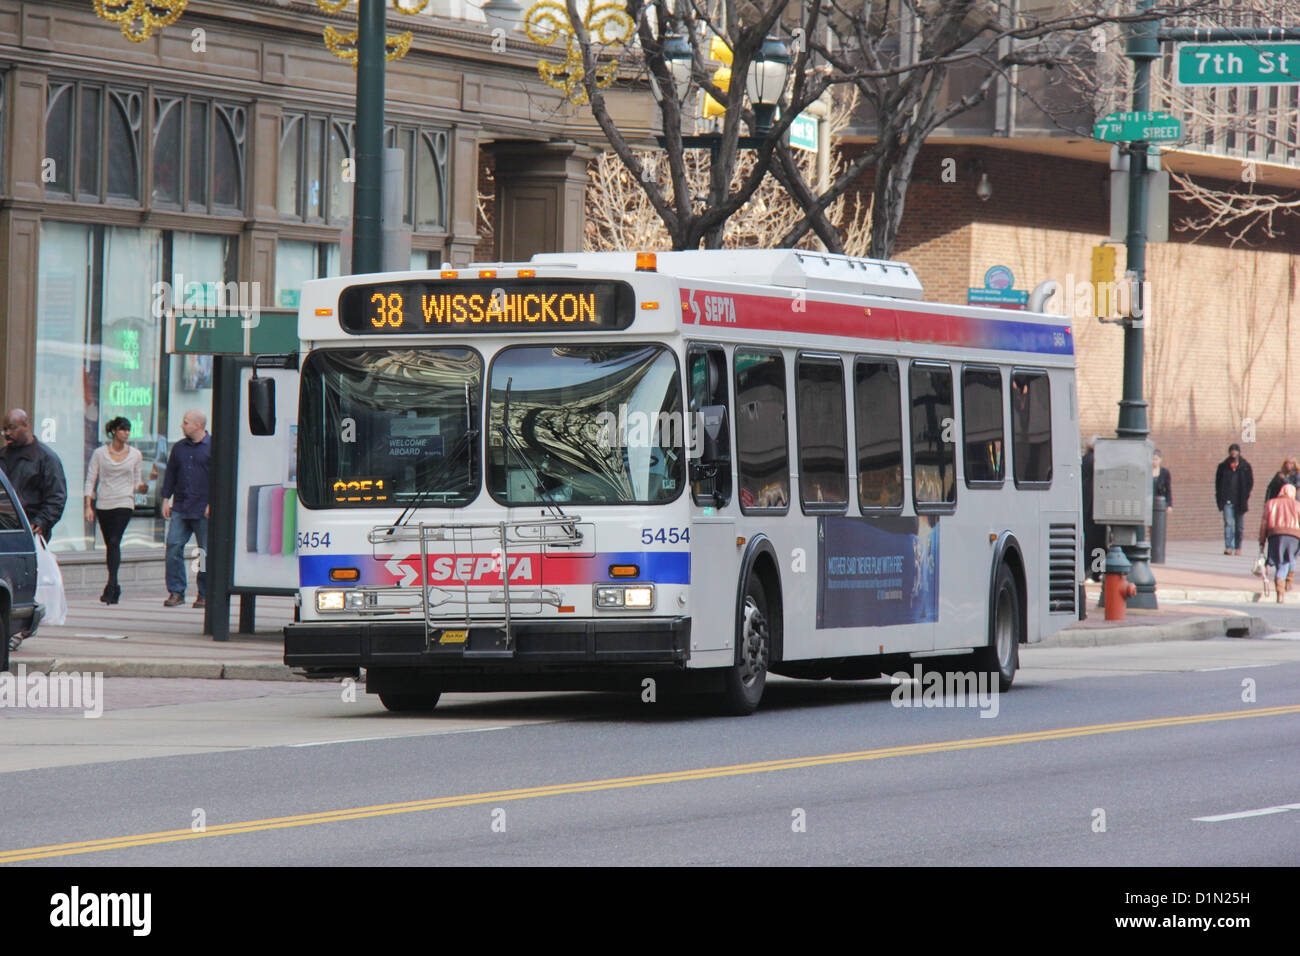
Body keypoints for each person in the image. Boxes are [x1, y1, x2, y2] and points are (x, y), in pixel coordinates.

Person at [84, 416, 147, 605]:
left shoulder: (136, 454)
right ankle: (113, 585)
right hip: (104, 503)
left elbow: (138, 483)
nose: (126, 433)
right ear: (114, 432)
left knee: (114, 540)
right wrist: (88, 505)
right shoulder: (99, 454)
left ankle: (112, 585)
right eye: (123, 429)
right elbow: (91, 479)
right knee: (110, 544)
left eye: (128, 430)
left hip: (124, 502)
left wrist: (146, 485)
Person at [161, 410, 211, 608]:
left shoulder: (212, 447)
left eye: (186, 422)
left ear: (198, 425)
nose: (182, 426)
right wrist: (165, 498)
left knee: (204, 553)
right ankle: (176, 591)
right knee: (173, 546)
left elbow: (219, 477)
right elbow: (171, 474)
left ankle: (204, 593)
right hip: (181, 505)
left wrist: (212, 502)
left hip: (203, 507)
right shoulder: (179, 448)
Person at [0, 408, 67, 540]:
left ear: (26, 425)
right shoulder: (2, 456)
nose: (7, 433)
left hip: (30, 530)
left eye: (12, 428)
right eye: (4, 430)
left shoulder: (46, 458)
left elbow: (56, 497)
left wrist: (41, 522)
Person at [1259, 483, 1300, 603]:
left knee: (1280, 561)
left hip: (1275, 535)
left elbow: (1264, 524)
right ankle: (1287, 582)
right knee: (1289, 559)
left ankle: (1280, 590)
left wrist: (1262, 541)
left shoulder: (1271, 503)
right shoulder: (1297, 505)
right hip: (1294, 536)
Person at [1215, 443, 1254, 555]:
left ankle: (1238, 547)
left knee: (1239, 526)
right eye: (1231, 451)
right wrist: (1219, 497)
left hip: (1240, 501)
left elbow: (1250, 482)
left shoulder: (1245, 467)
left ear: (1238, 452)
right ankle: (1229, 547)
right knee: (1228, 523)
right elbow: (1218, 484)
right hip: (1227, 500)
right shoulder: (1223, 467)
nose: (1233, 453)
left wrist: (1246, 495)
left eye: (1235, 451)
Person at [1081, 437, 1105, 580]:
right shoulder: (1096, 461)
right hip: (1095, 508)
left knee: (1088, 542)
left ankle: (1087, 570)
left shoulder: (1084, 459)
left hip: (1086, 506)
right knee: (1098, 542)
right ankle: (1096, 571)